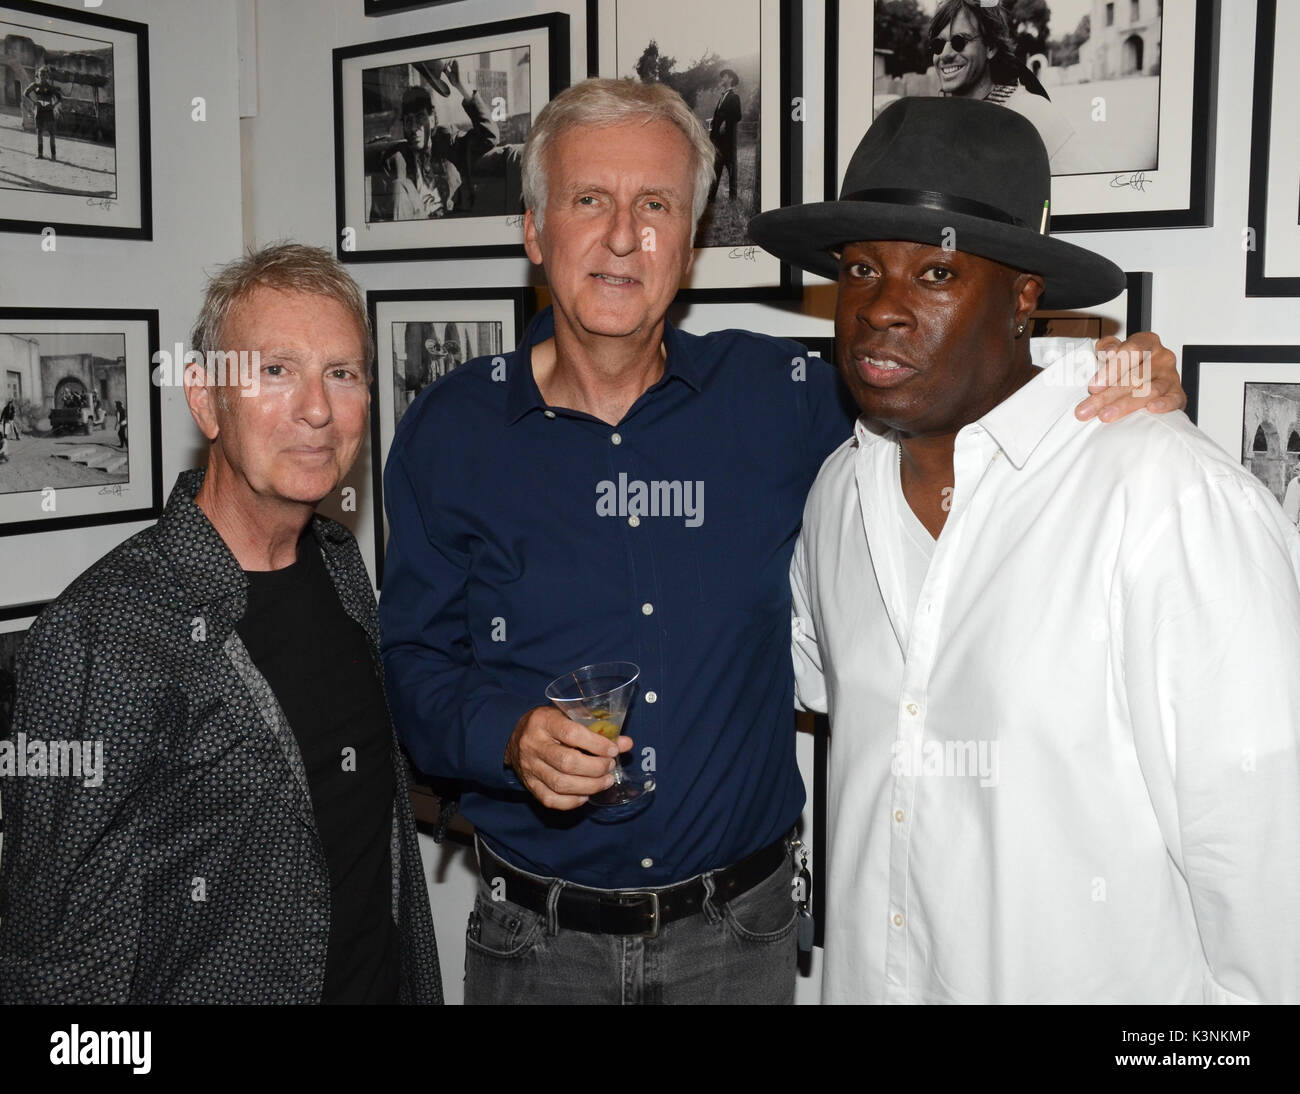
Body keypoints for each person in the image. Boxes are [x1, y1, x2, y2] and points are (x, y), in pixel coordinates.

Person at [379, 77, 1184, 1006]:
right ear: (533, 228)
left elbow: (946, 364)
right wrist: (508, 737)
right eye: (588, 200)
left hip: (739, 939)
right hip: (536, 941)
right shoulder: (450, 429)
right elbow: (415, 664)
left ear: (688, 243)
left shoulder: (783, 395)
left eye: (656, 207)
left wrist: (1106, 368)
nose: (622, 236)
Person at [749, 95, 1300, 1003]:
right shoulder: (839, 499)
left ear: (1024, 296)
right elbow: (823, 691)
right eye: (858, 270)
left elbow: (1267, 887)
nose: (881, 308)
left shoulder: (1165, 499)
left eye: (936, 273)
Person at [0, 243, 442, 1004]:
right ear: (205, 400)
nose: (317, 408)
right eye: (276, 370)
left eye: (342, 373)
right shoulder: (98, 636)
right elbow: (55, 973)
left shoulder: (341, 566)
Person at [926, 0, 1097, 175]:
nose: (945, 55)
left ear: (990, 46)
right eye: (938, 45)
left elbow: (1084, 185)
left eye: (959, 41)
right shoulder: (933, 122)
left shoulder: (1033, 113)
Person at [374, 61, 520, 221]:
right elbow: (383, 212)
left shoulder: (447, 142)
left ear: (432, 119)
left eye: (420, 118)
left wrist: (463, 89)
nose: (414, 128)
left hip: (451, 222)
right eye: (408, 121)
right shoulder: (394, 161)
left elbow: (490, 136)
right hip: (417, 226)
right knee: (398, 187)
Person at [707, 68, 742, 203]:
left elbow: (738, 116)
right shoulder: (722, 97)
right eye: (721, 77)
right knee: (716, 169)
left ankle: (733, 199)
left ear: (731, 79)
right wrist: (713, 125)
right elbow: (719, 115)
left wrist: (726, 124)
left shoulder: (734, 97)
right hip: (718, 141)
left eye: (724, 77)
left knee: (732, 170)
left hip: (728, 142)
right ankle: (711, 198)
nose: (721, 79)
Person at [22, 66, 62, 162]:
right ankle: (40, 154)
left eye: (44, 75)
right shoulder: (35, 85)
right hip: (39, 111)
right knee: (39, 133)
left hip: (48, 111)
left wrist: (53, 105)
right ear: (38, 76)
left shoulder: (50, 87)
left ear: (47, 76)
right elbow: (25, 93)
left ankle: (53, 156)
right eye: (41, 75)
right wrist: (33, 102)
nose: (42, 76)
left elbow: (60, 98)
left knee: (52, 134)